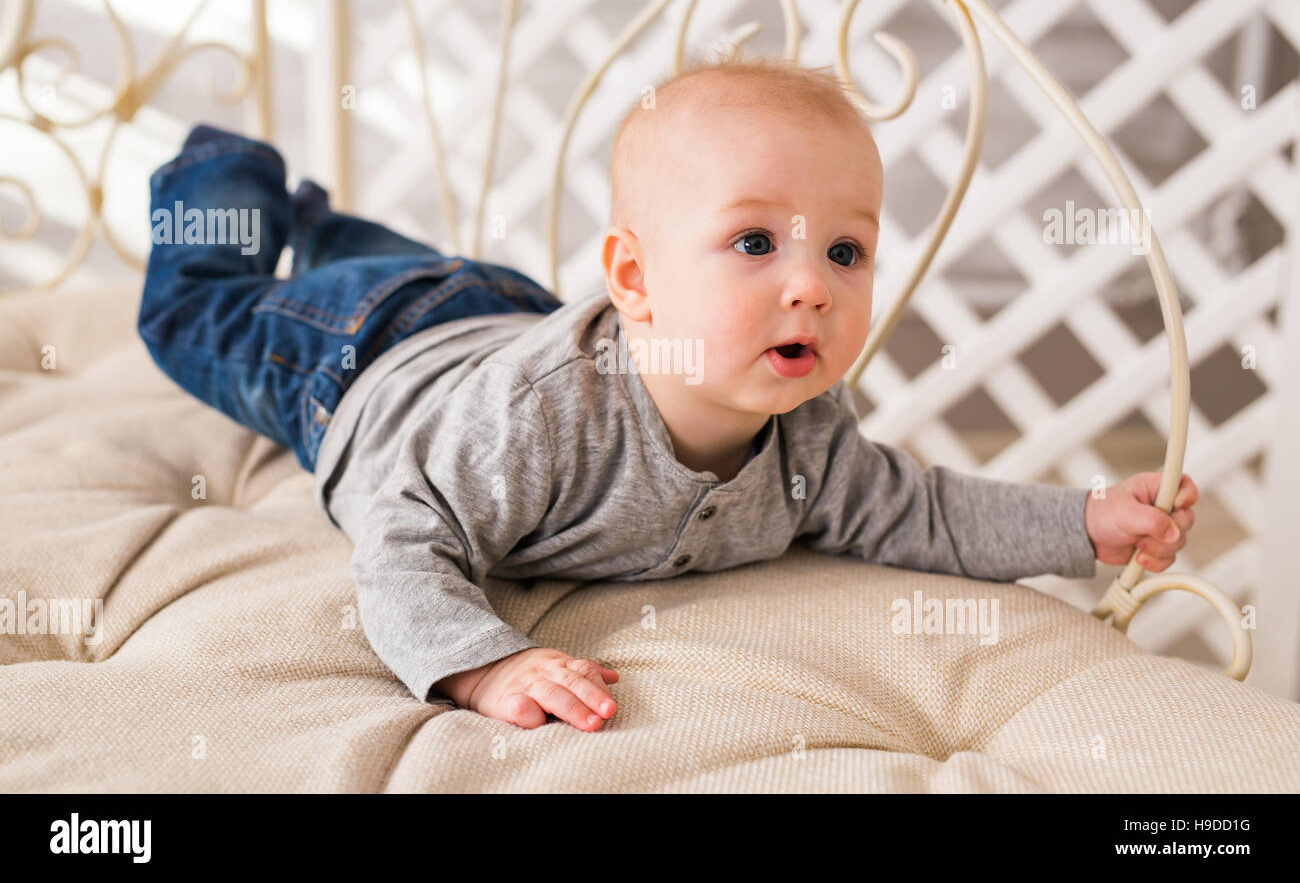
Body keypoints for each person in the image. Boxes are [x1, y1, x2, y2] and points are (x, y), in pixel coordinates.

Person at [138, 56, 1198, 734]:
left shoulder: (808, 433)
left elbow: (920, 511)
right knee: (194, 319)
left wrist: (1083, 521)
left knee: (389, 257)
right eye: (753, 241)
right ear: (636, 279)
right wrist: (480, 667)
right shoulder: (536, 424)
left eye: (845, 249)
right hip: (364, 360)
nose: (809, 284)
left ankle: (328, 225)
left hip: (498, 304)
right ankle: (223, 172)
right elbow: (404, 536)